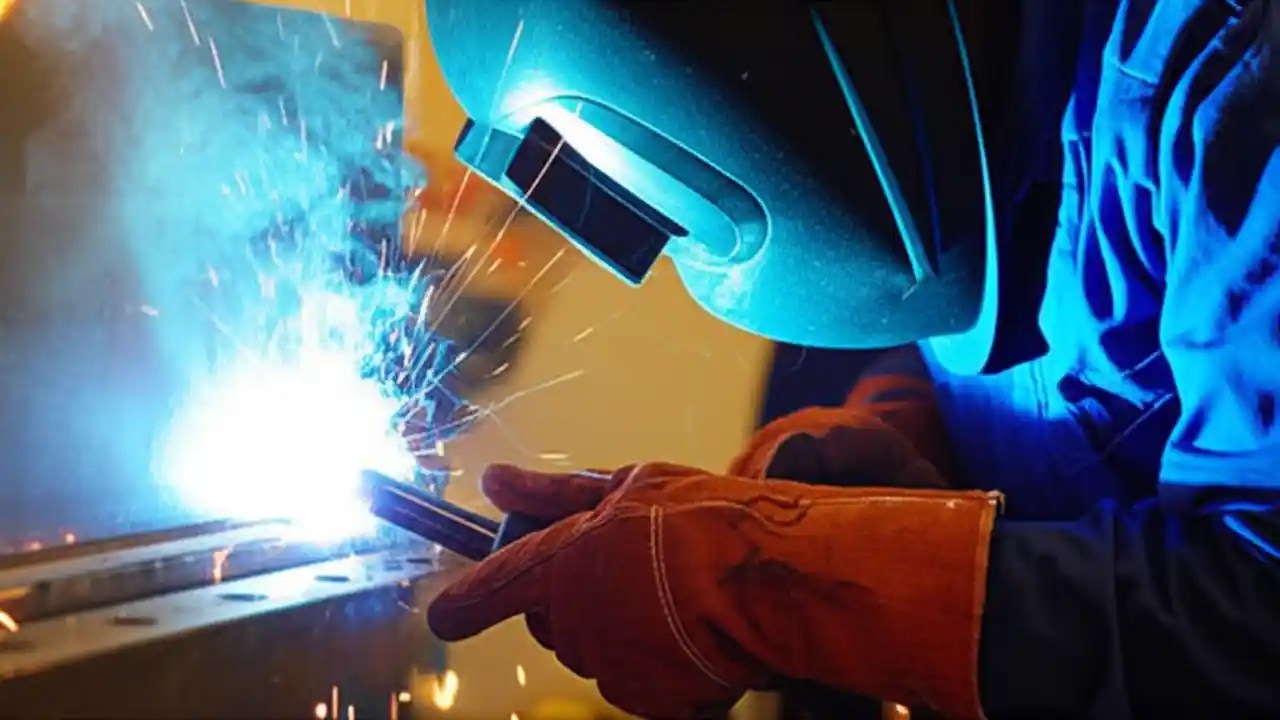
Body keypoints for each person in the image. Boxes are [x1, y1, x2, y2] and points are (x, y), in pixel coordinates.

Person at [421, 2, 1280, 718]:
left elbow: (1259, 612)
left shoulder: (1227, 77)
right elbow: (1013, 317)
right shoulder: (948, 97)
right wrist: (892, 447)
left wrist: (788, 586)